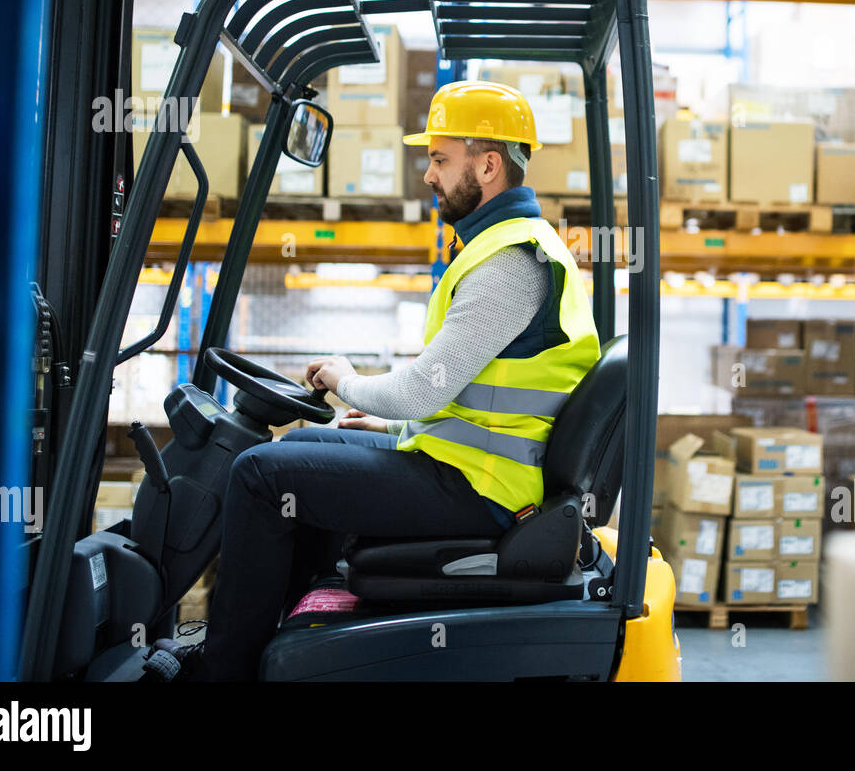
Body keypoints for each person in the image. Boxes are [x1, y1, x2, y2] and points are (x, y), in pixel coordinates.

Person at [146, 81, 600, 681]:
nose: (429, 176)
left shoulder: (512, 262)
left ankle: (226, 668)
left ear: (487, 165)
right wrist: (390, 423)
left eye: (440, 160)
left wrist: (347, 381)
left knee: (258, 475)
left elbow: (425, 387)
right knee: (302, 447)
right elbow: (475, 395)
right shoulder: (499, 247)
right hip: (470, 468)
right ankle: (277, 640)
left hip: (482, 490)